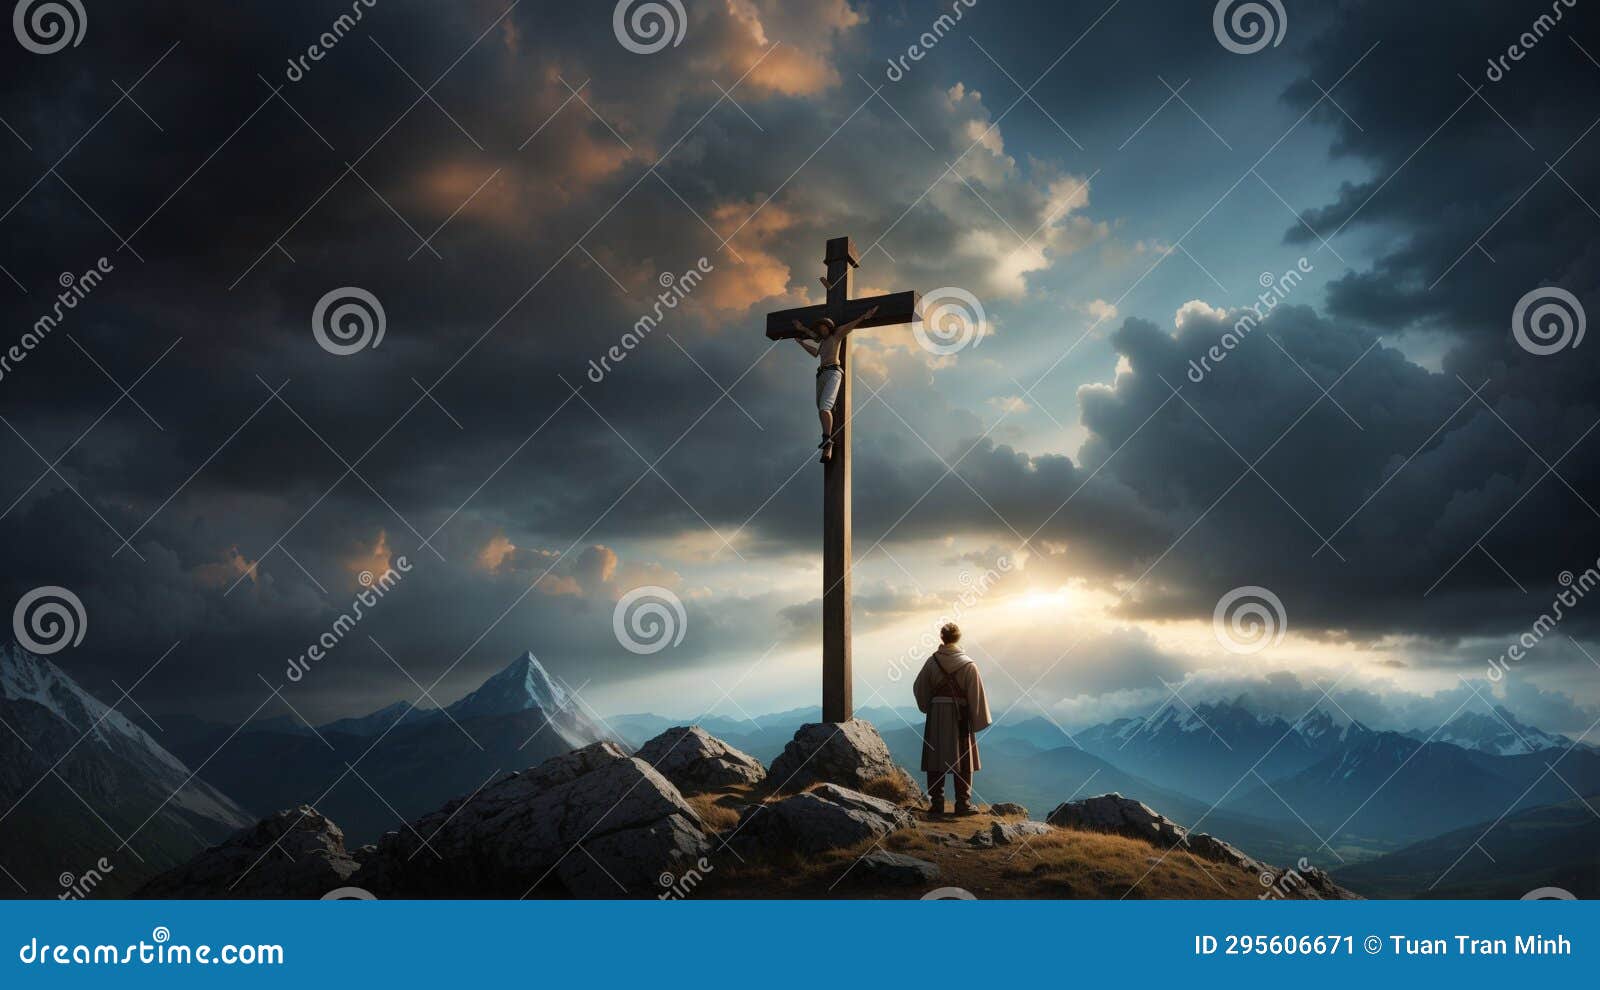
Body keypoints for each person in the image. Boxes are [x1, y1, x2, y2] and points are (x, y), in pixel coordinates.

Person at [912, 622, 992, 815]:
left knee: (935, 757)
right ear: (958, 638)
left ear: (942, 638)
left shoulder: (932, 662)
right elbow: (976, 694)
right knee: (964, 759)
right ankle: (963, 803)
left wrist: (930, 705)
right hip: (960, 716)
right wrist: (976, 717)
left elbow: (919, 687)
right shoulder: (969, 664)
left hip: (937, 714)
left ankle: (937, 803)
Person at [792, 304, 878, 463]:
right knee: (821, 409)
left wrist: (864, 316)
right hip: (821, 375)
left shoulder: (836, 335)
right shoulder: (823, 342)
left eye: (824, 327)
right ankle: (827, 443)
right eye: (820, 328)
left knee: (825, 407)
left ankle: (827, 439)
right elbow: (815, 351)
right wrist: (802, 338)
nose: (821, 330)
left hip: (833, 372)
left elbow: (851, 325)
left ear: (829, 327)